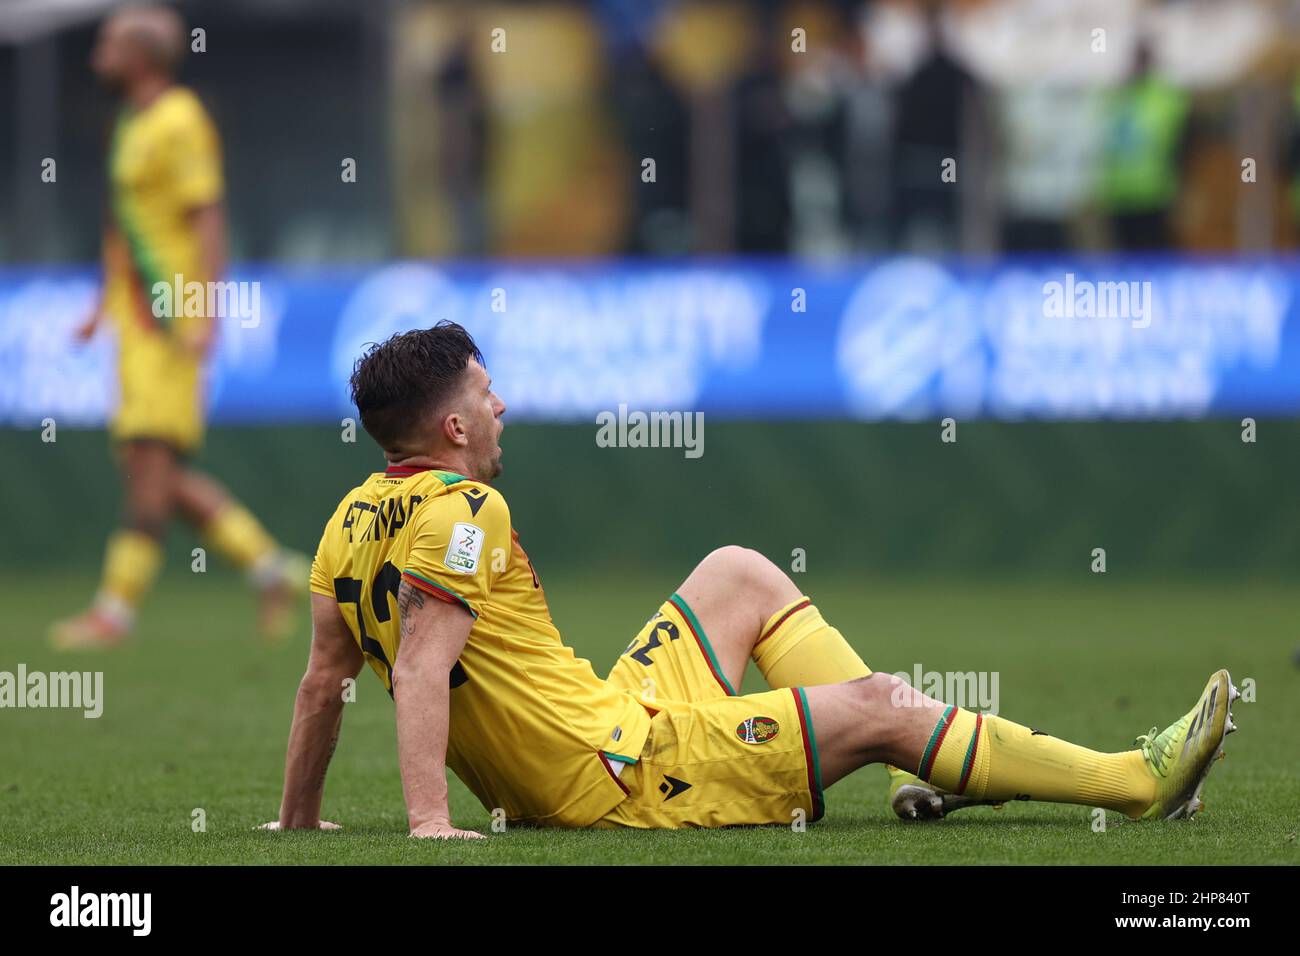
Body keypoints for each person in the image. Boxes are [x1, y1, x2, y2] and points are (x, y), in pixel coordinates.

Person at [266, 322, 1237, 837]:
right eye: (486, 390)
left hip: (601, 716)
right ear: (453, 427)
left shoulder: (348, 519)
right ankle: (1136, 783)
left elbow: (323, 681)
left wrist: (299, 817)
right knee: (883, 701)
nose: (501, 401)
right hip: (615, 776)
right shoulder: (468, 509)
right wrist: (431, 824)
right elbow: (427, 664)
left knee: (736, 571)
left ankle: (918, 770)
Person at [50, 6, 305, 650]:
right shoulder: (132, 123)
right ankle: (270, 569)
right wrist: (100, 305)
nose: (95, 57)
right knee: (146, 467)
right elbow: (129, 226)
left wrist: (205, 312)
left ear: (139, 55)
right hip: (134, 322)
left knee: (147, 466)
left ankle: (114, 612)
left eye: (106, 45)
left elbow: (207, 218)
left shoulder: (180, 119)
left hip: (170, 320)